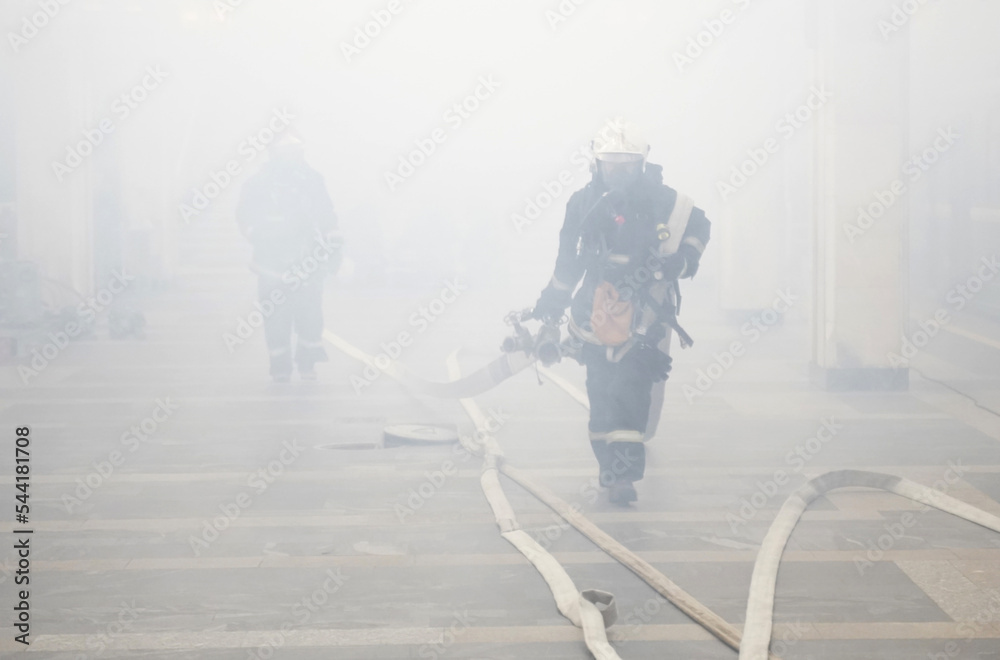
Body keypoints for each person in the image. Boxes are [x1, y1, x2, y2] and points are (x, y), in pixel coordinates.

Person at [531, 118, 711, 505]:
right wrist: (550, 304)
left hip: (646, 315)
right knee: (600, 391)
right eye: (611, 164)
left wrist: (681, 262)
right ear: (596, 163)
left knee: (631, 392)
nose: (618, 172)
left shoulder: (667, 202)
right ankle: (607, 468)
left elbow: (700, 225)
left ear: (642, 164)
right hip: (593, 313)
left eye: (626, 165)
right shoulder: (582, 203)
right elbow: (568, 263)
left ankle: (622, 476)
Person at [236, 130, 341, 382]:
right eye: (287, 152)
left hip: (309, 262)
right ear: (275, 154)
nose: (293, 156)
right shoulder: (258, 184)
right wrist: (262, 235)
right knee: (276, 318)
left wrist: (334, 248)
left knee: (310, 315)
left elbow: (327, 215)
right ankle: (280, 367)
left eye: (296, 151)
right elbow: (245, 215)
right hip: (271, 263)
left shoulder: (313, 180)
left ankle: (307, 363)